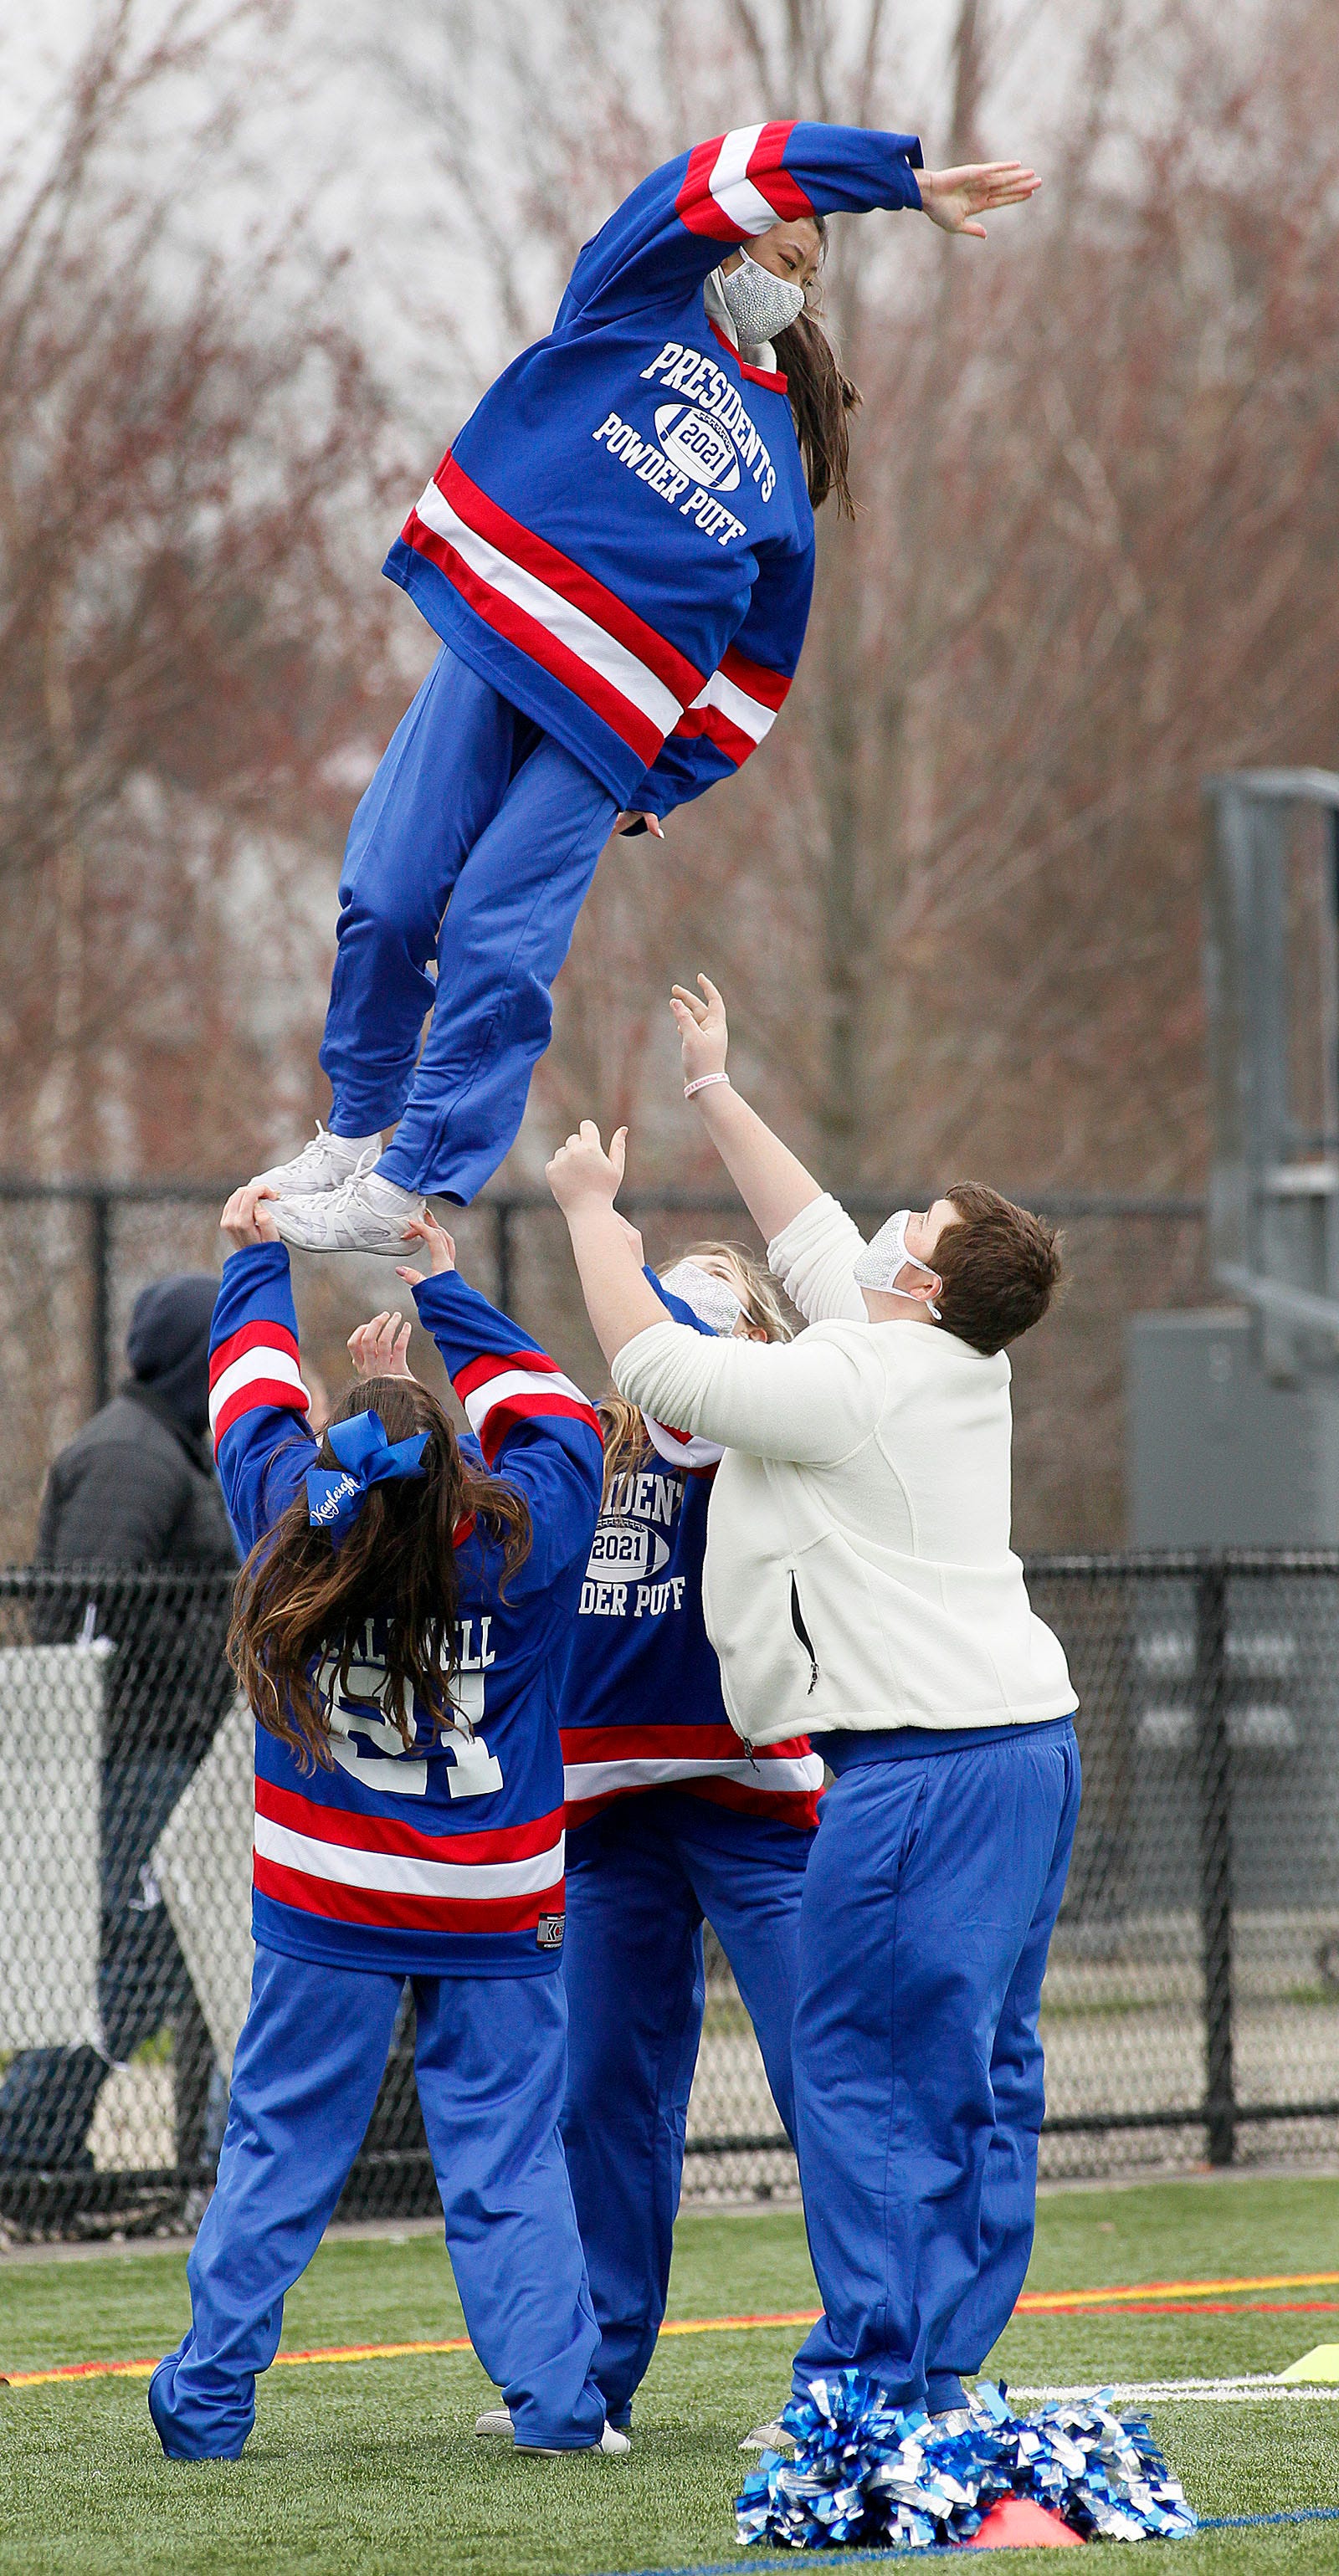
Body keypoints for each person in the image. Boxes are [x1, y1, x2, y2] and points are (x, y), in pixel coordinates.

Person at [250, 127, 1040, 1252]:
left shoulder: (776, 459)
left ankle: (406, 1187)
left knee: (495, 937)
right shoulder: (635, 299)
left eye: (808, 276)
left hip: (605, 736)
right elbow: (722, 171)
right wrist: (896, 188)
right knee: (386, 889)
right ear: (728, 243)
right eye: (779, 249)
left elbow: (759, 667)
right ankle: (354, 1126)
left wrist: (663, 777)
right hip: (498, 648)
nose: (787, 279)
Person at [544, 974, 1080, 2425]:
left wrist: (595, 1213)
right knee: (978, 2070)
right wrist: (712, 1086)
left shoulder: (858, 1371)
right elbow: (814, 1233)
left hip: (922, 1768)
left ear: (922, 1284)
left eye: (917, 1230)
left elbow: (653, 1364)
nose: (890, 1226)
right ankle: (938, 2363)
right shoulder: (947, 1349)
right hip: (1027, 1752)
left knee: (857, 2067)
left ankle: (864, 2377)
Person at [148, 1185, 626, 2461]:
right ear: (461, 1471)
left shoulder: (287, 1531)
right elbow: (559, 1415)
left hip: (326, 1903)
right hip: (496, 1891)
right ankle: (561, 2404)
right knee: (510, 2158)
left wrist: (255, 1254)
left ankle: (206, 2403)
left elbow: (245, 1396)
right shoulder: (524, 1539)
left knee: (282, 2146)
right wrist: (440, 1290)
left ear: (334, 1468)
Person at [469, 1238, 822, 2445]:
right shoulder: (589, 1433)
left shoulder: (750, 1418)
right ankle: (591, 2370)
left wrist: (598, 1226)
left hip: (755, 1805)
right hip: (608, 1818)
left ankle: (864, 2374)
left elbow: (682, 1389)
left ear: (752, 1342)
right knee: (599, 2091)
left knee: (822, 2077)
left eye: (701, 1301)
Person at [0, 1276, 237, 2177]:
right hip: (132, 1756)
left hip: (168, 1753)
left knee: (151, 1966)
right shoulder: (132, 1454)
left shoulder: (173, 1446)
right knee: (128, 1965)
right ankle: (25, 2144)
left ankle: (40, 2148)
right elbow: (92, 1608)